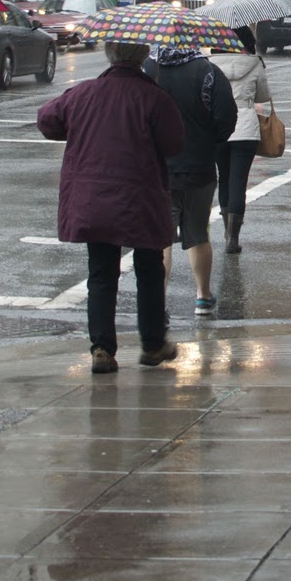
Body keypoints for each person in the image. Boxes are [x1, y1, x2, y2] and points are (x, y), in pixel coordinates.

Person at [37, 41, 184, 372]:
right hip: (140, 198)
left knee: (101, 272)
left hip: (94, 199)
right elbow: (174, 142)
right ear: (143, 56)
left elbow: (47, 120)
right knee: (149, 268)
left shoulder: (84, 93)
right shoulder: (154, 97)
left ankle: (102, 348)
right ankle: (152, 344)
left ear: (109, 54)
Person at [146, 44, 237, 318]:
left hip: (158, 169)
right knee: (199, 233)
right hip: (199, 166)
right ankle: (203, 297)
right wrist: (211, 141)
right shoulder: (208, 71)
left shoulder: (148, 69)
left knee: (160, 238)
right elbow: (226, 119)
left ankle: (158, 303)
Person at [212, 26, 273, 255]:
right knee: (238, 181)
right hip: (246, 128)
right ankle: (233, 237)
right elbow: (263, 96)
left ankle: (226, 231)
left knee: (223, 178)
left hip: (218, 127)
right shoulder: (254, 64)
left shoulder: (210, 63)